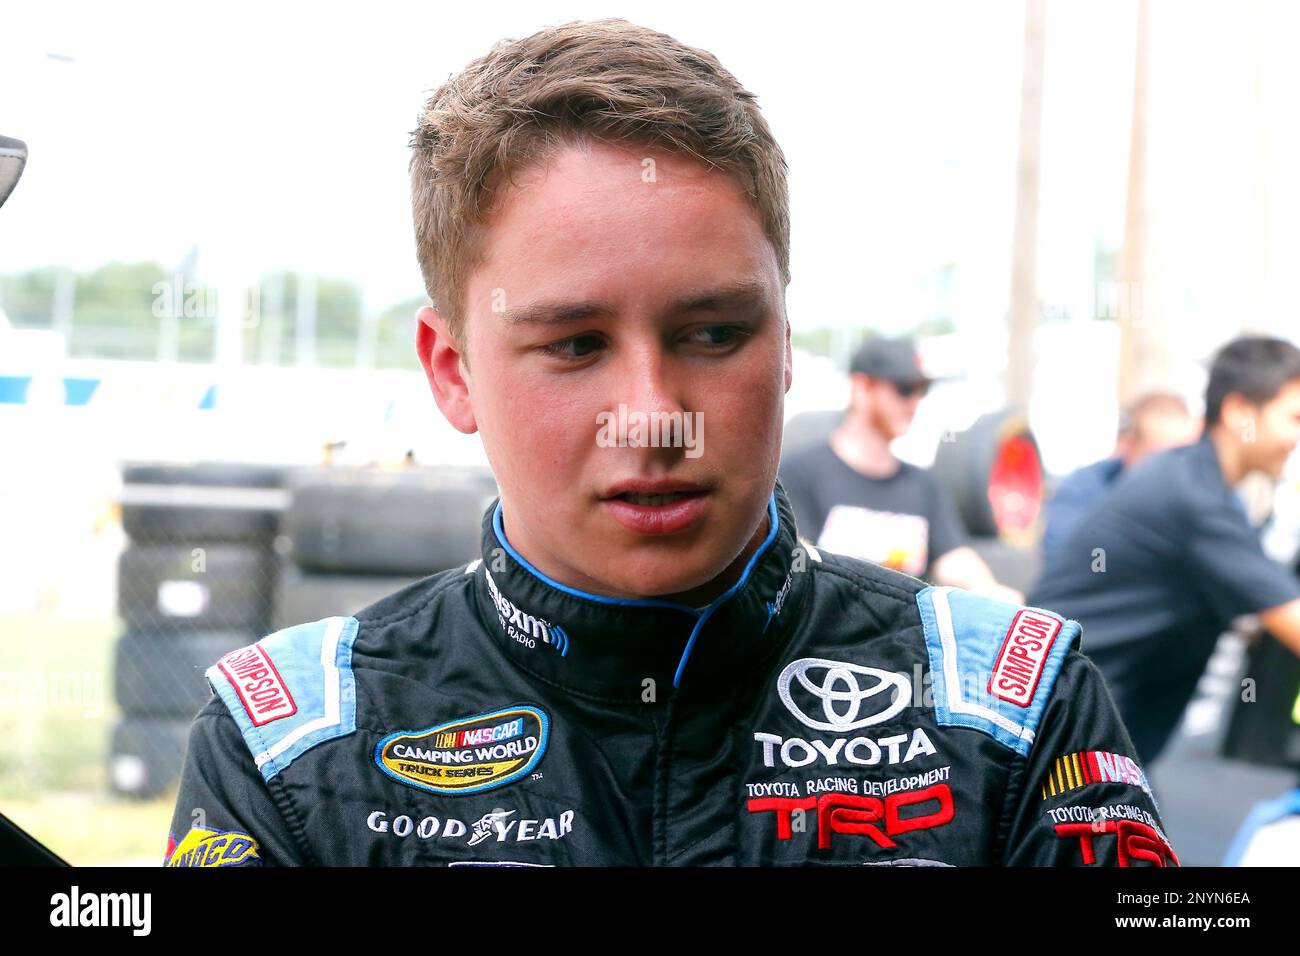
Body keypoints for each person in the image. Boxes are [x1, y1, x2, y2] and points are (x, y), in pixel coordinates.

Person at [164, 19, 1173, 867]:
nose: (652, 413)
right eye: (574, 343)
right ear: (452, 369)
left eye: (712, 333)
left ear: (783, 341)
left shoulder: (1014, 701)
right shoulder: (288, 740)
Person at [1030, 336, 1300, 766]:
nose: (1297, 436)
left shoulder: (1194, 481)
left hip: (1082, 728)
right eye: (1294, 418)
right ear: (1238, 412)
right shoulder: (1195, 500)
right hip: (1061, 731)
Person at [780, 336, 1024, 603]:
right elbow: (797, 559)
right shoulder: (802, 472)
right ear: (862, 388)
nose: (915, 402)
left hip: (902, 634)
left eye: (923, 390)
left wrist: (989, 590)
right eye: (905, 389)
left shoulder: (923, 485)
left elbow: (951, 556)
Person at [1040, 391, 1199, 557]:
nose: (1175, 470)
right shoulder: (1087, 489)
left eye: (1186, 458)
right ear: (1129, 447)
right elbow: (1069, 561)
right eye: (1162, 459)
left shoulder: (1202, 498)